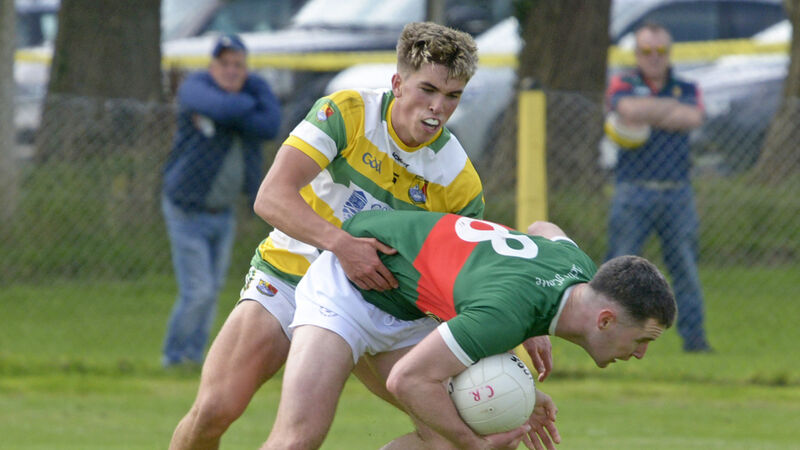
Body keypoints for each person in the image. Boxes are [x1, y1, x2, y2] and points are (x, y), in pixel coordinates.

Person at [169, 22, 554, 449]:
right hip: (288, 277)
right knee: (215, 411)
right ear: (397, 84)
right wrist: (342, 245)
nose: (438, 108)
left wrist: (521, 337)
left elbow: (468, 276)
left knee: (450, 437)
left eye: (452, 96)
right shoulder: (348, 113)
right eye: (427, 90)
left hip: (376, 300)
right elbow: (271, 197)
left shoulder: (457, 177)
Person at [262, 209, 677, 450]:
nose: (639, 354)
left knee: (443, 442)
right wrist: (474, 445)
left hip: (405, 303)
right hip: (350, 282)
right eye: (641, 340)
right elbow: (408, 381)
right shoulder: (506, 313)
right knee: (298, 439)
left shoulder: (580, 271)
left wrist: (533, 342)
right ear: (605, 319)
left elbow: (541, 229)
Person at [161, 34, 281, 369]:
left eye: (238, 64)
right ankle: (173, 358)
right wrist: (244, 108)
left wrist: (231, 111)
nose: (231, 70)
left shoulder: (252, 87)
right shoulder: (194, 87)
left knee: (211, 291)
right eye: (224, 63)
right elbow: (219, 106)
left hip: (223, 211)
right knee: (197, 291)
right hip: (186, 207)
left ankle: (193, 358)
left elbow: (271, 124)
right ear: (212, 65)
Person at [603, 23, 712, 353]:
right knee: (616, 270)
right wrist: (668, 110)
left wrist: (648, 109)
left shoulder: (687, 86)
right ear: (637, 54)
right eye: (646, 51)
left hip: (677, 192)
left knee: (686, 270)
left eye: (660, 51)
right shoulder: (623, 82)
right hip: (633, 190)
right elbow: (627, 109)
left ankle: (695, 342)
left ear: (669, 53)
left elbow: (693, 117)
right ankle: (602, 334)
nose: (653, 58)